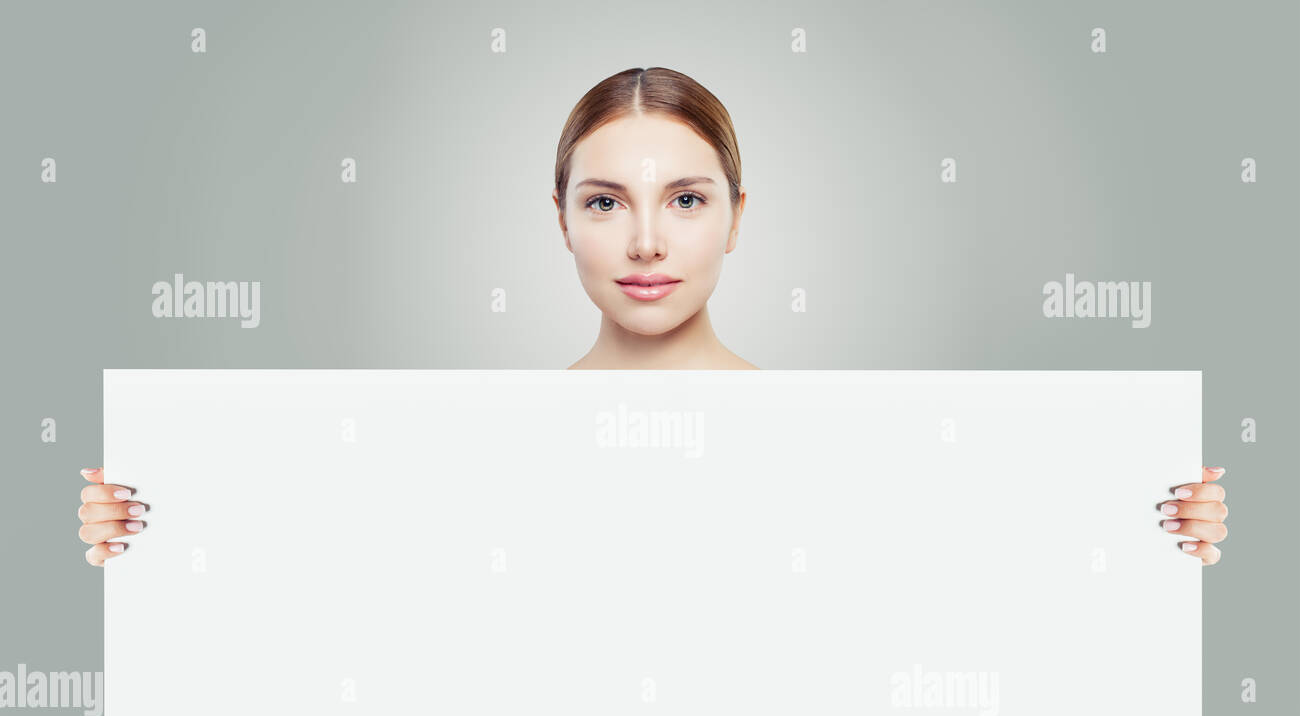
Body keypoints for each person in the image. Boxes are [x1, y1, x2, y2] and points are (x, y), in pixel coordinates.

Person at [75, 67, 1229, 565]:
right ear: (560, 220)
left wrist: (1152, 524)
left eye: (684, 198)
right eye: (604, 201)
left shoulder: (836, 451)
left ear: (736, 216)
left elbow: (977, 577)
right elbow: (338, 576)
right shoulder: (479, 455)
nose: (643, 241)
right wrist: (156, 523)